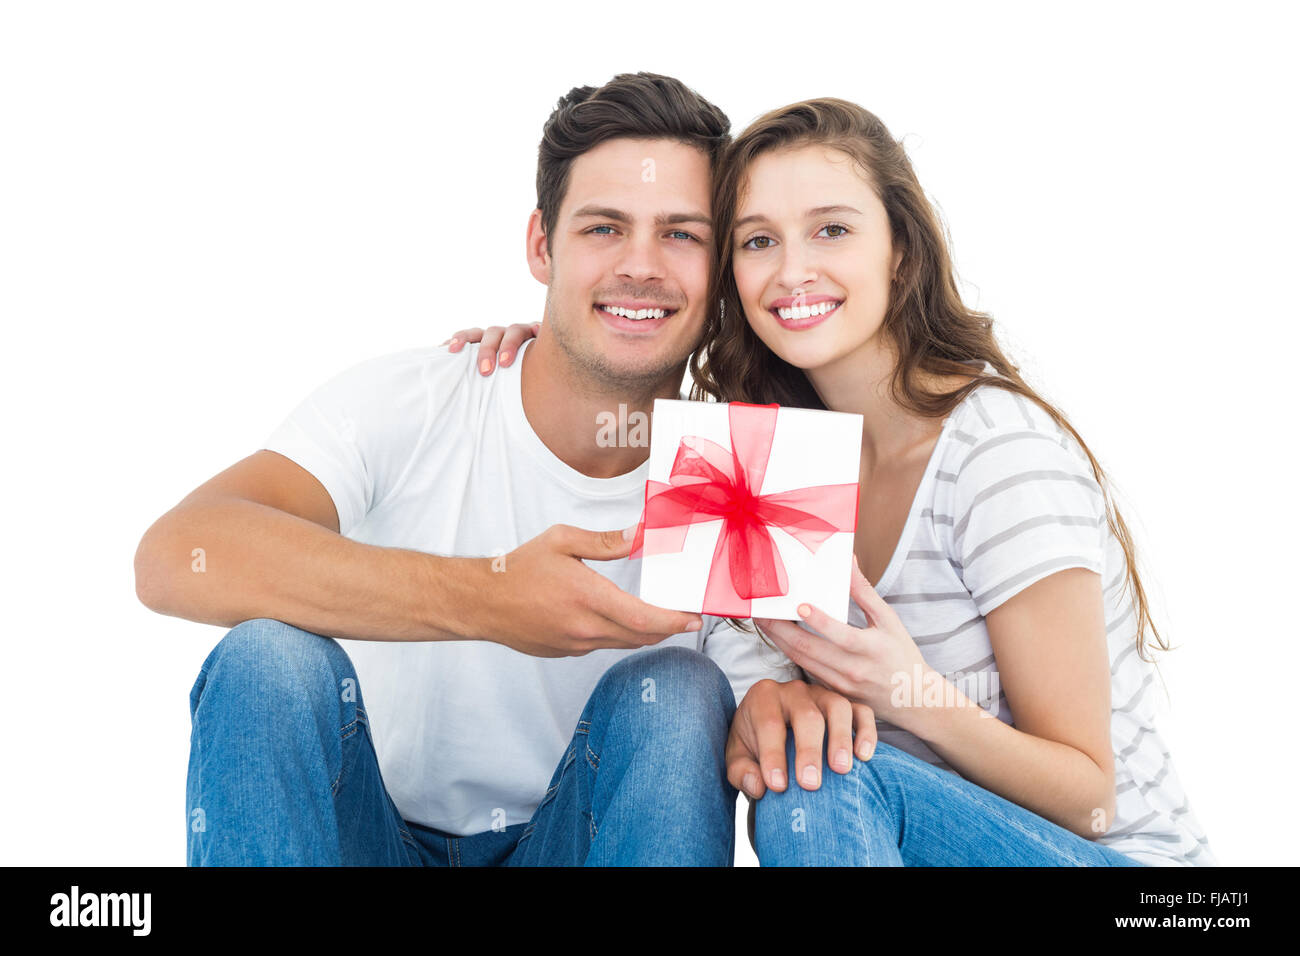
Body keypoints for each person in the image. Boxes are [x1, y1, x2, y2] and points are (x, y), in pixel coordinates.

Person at [132, 72, 875, 867]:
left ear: (721, 268)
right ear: (540, 245)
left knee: (679, 694)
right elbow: (177, 553)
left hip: (575, 843)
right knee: (266, 660)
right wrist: (488, 597)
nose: (641, 265)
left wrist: (783, 705)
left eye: (682, 234)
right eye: (602, 228)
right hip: (370, 841)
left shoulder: (740, 470)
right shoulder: (419, 399)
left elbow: (759, 693)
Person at [450, 97, 1217, 866]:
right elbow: (733, 664)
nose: (793, 271)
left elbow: (1089, 799)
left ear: (902, 253)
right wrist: (535, 345)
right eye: (758, 241)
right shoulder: (762, 456)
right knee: (804, 766)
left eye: (832, 230)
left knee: (826, 781)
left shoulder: (998, 455)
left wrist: (909, 692)